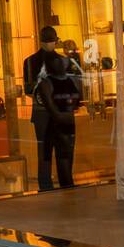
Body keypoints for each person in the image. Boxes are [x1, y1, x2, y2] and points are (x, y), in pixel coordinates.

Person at [34, 52, 81, 190]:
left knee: (68, 158)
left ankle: (68, 189)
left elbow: (76, 102)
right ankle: (66, 189)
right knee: (63, 159)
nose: (61, 64)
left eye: (61, 61)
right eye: (56, 61)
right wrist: (66, 114)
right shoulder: (46, 84)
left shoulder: (70, 80)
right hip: (58, 125)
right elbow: (54, 110)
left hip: (68, 123)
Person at [24, 26, 61, 191]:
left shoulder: (30, 61)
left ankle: (45, 184)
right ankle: (60, 181)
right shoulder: (61, 61)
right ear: (55, 41)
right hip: (55, 111)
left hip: (41, 111)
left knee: (45, 150)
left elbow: (28, 90)